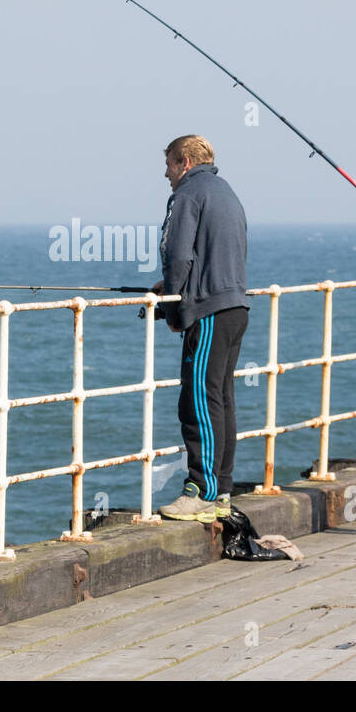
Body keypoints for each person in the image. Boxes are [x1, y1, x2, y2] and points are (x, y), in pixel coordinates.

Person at [150, 136, 249, 523]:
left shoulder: (189, 194)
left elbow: (178, 254)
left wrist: (175, 304)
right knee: (220, 400)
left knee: (198, 402)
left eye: (170, 164)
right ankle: (221, 490)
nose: (166, 173)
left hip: (208, 311)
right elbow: (214, 254)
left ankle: (202, 491)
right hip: (233, 306)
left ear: (185, 162)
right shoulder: (226, 192)